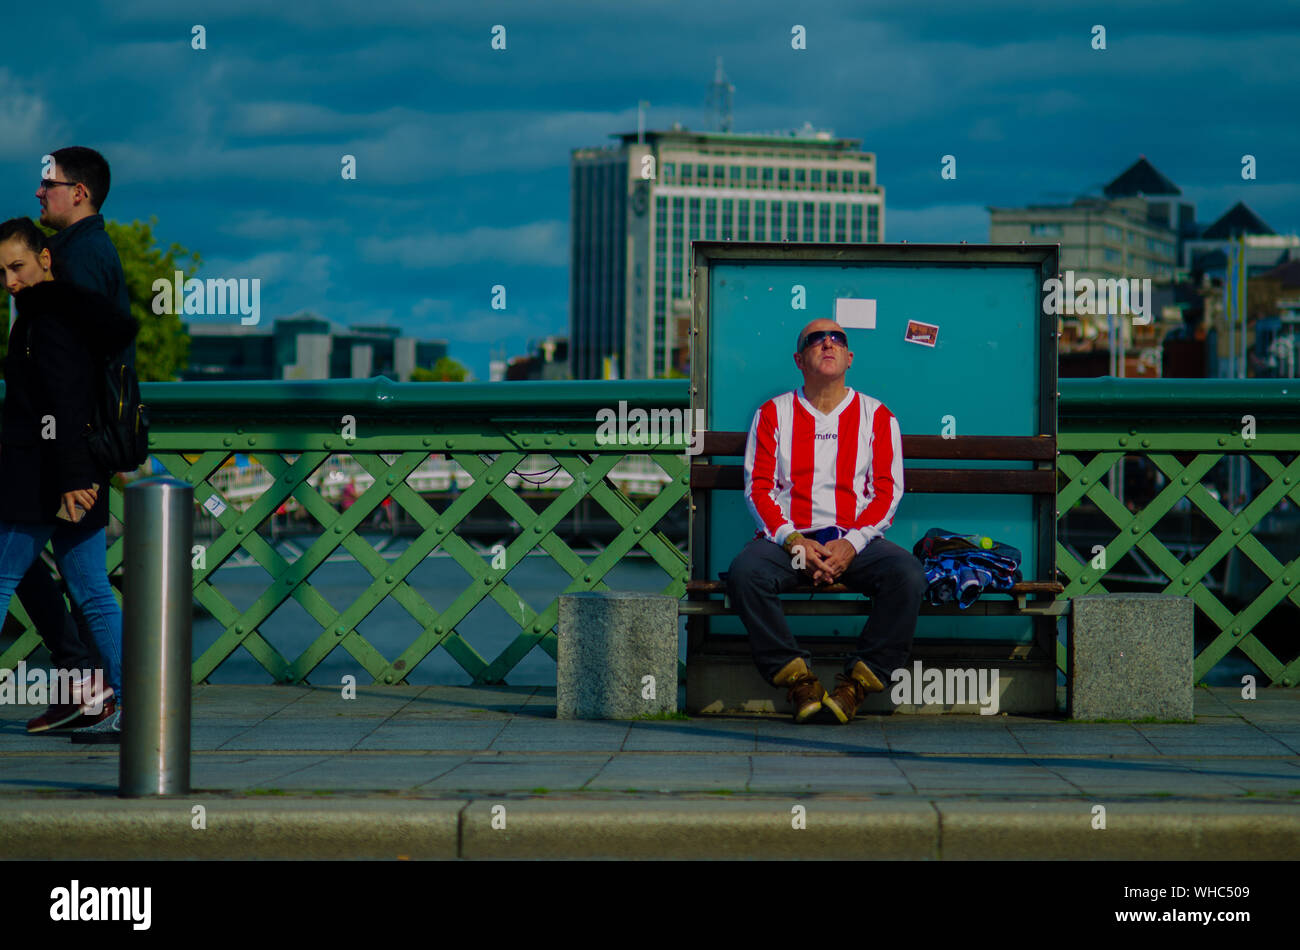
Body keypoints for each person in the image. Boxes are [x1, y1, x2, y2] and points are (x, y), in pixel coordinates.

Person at [726, 317, 927, 724]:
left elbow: (887, 491)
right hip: (791, 546)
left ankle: (855, 685)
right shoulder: (772, 414)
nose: (828, 343)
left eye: (837, 338)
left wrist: (851, 544)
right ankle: (798, 680)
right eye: (816, 339)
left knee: (906, 575)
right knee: (745, 574)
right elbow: (758, 488)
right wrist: (792, 540)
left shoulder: (878, 416)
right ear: (799, 359)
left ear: (850, 357)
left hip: (853, 545)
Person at [0, 217, 138, 738]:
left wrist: (70, 475)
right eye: (1, 272)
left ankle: (120, 699)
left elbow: (64, 401)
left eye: (17, 266)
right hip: (72, 472)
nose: (10, 281)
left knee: (2, 578)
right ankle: (134, 705)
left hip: (45, 475)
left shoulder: (47, 316)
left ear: (45, 258)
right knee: (93, 591)